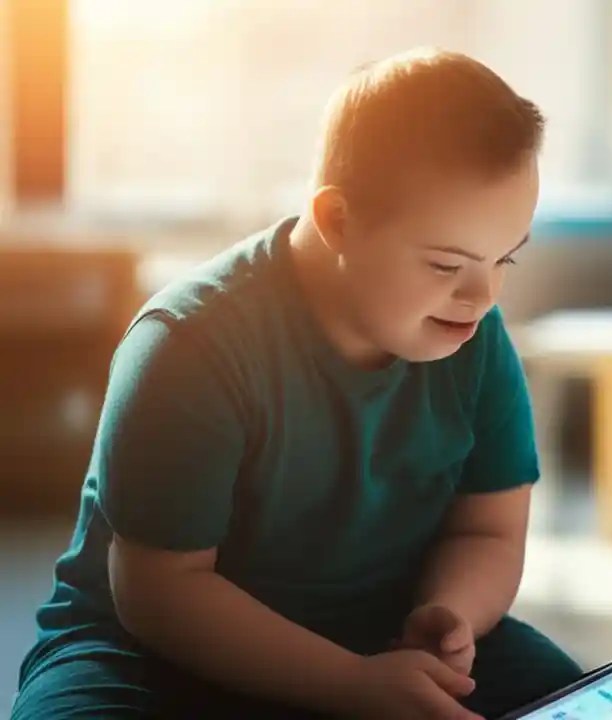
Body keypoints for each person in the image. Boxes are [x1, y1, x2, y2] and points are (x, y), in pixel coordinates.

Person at [13, 47, 581, 719]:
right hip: (154, 653)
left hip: (386, 630)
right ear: (338, 220)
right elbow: (159, 592)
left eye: (505, 258)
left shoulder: (475, 339)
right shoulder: (190, 346)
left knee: (580, 700)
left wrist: (448, 614)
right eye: (445, 264)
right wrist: (352, 687)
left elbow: (488, 530)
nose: (483, 296)